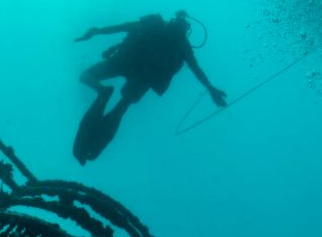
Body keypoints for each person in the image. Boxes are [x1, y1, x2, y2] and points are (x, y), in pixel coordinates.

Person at [71, 11, 227, 165]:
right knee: (123, 106)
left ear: (173, 21)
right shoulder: (182, 45)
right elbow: (196, 68)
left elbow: (123, 27)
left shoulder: (154, 23)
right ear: (186, 30)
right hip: (145, 77)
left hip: (125, 60)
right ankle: (93, 146)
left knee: (86, 76)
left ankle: (102, 92)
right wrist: (211, 88)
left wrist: (97, 31)